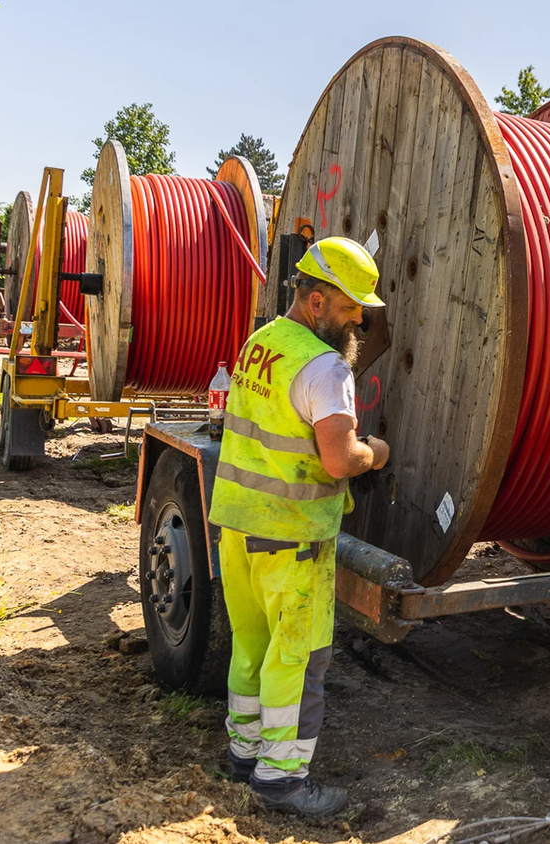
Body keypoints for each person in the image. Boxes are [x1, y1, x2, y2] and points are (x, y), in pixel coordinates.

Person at [208, 237, 390, 818]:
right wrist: (376, 453)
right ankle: (283, 781)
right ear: (315, 302)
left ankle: (244, 755)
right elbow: (339, 460)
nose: (358, 316)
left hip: (238, 527)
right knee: (297, 659)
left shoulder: (260, 344)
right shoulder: (325, 366)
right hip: (293, 537)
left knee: (251, 645)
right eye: (348, 306)